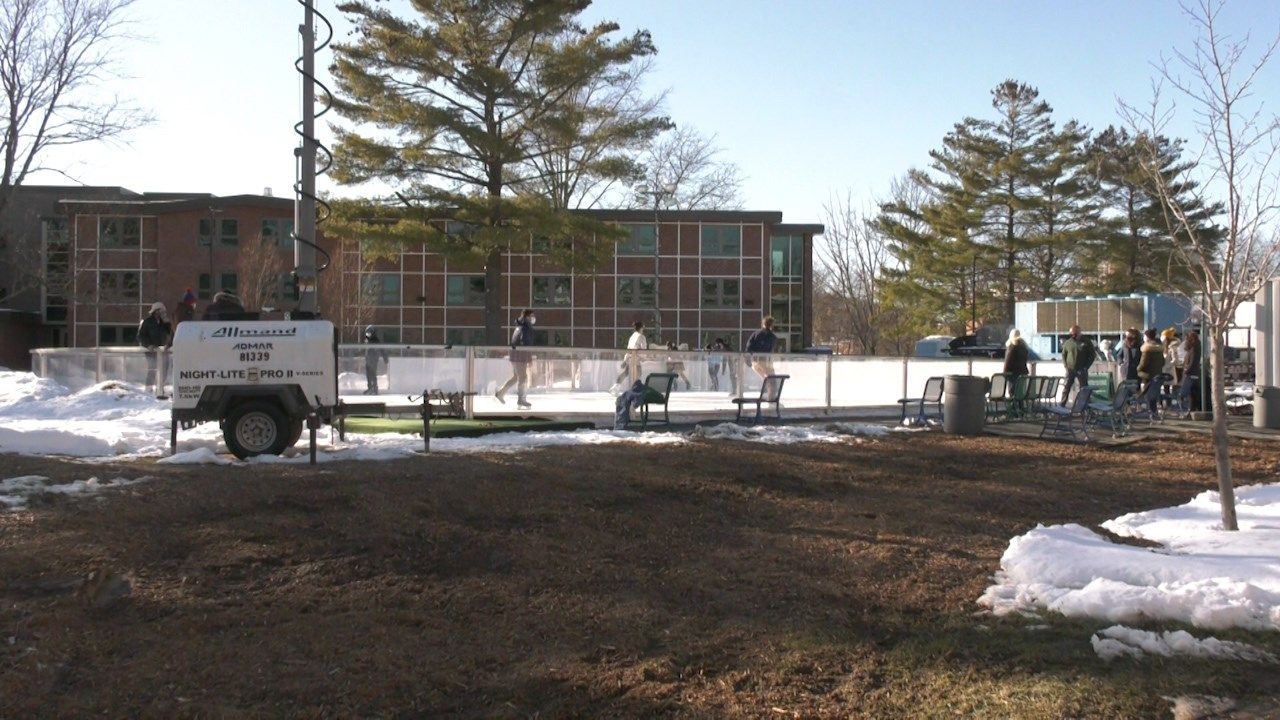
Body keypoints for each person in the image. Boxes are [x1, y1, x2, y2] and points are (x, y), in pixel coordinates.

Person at [496, 309, 535, 408]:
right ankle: (521, 400)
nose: (533, 318)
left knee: (516, 377)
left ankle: (500, 393)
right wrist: (529, 358)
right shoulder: (525, 328)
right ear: (527, 317)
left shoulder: (520, 326)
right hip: (520, 356)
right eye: (532, 316)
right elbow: (526, 343)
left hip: (515, 355)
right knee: (523, 378)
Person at [137, 301, 172, 398]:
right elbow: (140, 336)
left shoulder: (163, 323)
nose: (163, 313)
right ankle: (148, 388)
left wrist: (167, 323)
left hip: (162, 350)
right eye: (161, 311)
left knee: (164, 368)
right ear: (156, 311)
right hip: (151, 350)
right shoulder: (148, 322)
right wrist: (149, 345)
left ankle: (160, 387)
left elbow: (169, 333)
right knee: (153, 368)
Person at [1059, 324, 1096, 404]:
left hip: (1082, 369)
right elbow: (1063, 355)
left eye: (1075, 334)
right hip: (1070, 370)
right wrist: (1066, 366)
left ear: (1079, 333)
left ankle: (1085, 405)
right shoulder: (1068, 343)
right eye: (1071, 335)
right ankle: (1062, 404)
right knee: (1066, 387)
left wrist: (1086, 367)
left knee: (1084, 388)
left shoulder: (1086, 342)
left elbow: (1092, 355)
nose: (1073, 336)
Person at [1137, 327, 1166, 413]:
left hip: (1147, 375)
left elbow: (1143, 364)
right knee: (1154, 395)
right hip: (1158, 375)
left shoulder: (1147, 349)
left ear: (1146, 337)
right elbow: (1163, 362)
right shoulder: (1159, 349)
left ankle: (1149, 411)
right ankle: (1154, 411)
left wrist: (1137, 369)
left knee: (1147, 395)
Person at [613, 321, 648, 389]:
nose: (643, 330)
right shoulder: (641, 337)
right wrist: (645, 357)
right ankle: (635, 389)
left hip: (630, 358)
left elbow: (628, 348)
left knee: (626, 372)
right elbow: (643, 349)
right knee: (638, 374)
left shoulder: (632, 336)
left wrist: (625, 360)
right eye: (643, 328)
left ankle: (616, 385)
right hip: (636, 359)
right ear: (641, 328)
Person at [362, 326, 390, 395]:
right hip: (368, 359)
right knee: (368, 374)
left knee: (373, 373)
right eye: (367, 333)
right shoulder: (367, 340)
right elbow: (364, 349)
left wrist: (385, 358)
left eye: (369, 333)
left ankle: (374, 388)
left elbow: (382, 349)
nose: (368, 334)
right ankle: (370, 388)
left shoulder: (375, 340)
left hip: (374, 358)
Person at [1180, 330, 1202, 413]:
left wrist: (1186, 370)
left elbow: (1192, 362)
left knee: (1190, 394)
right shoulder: (1195, 347)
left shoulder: (1193, 349)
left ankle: (1191, 410)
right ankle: (1193, 410)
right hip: (1194, 373)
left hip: (1191, 374)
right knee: (1193, 394)